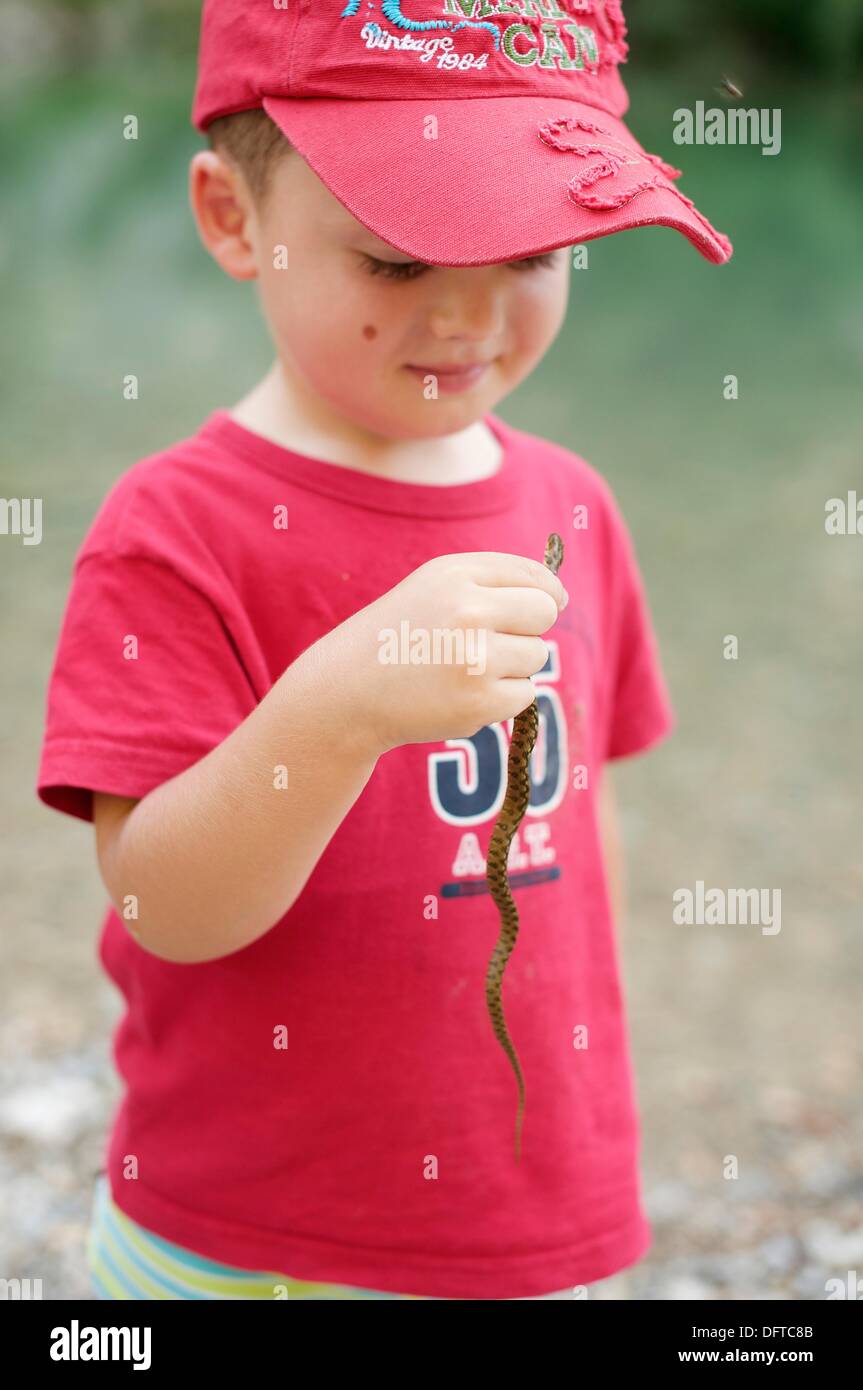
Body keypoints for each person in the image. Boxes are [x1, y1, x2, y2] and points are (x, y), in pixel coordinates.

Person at [36, 0, 732, 1301]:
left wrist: (590, 1095)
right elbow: (160, 907)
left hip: (523, 1217)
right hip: (243, 1240)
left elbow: (587, 834)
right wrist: (336, 711)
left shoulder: (573, 505)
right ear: (234, 219)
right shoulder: (177, 530)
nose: (469, 311)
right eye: (401, 261)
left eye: (533, 252)